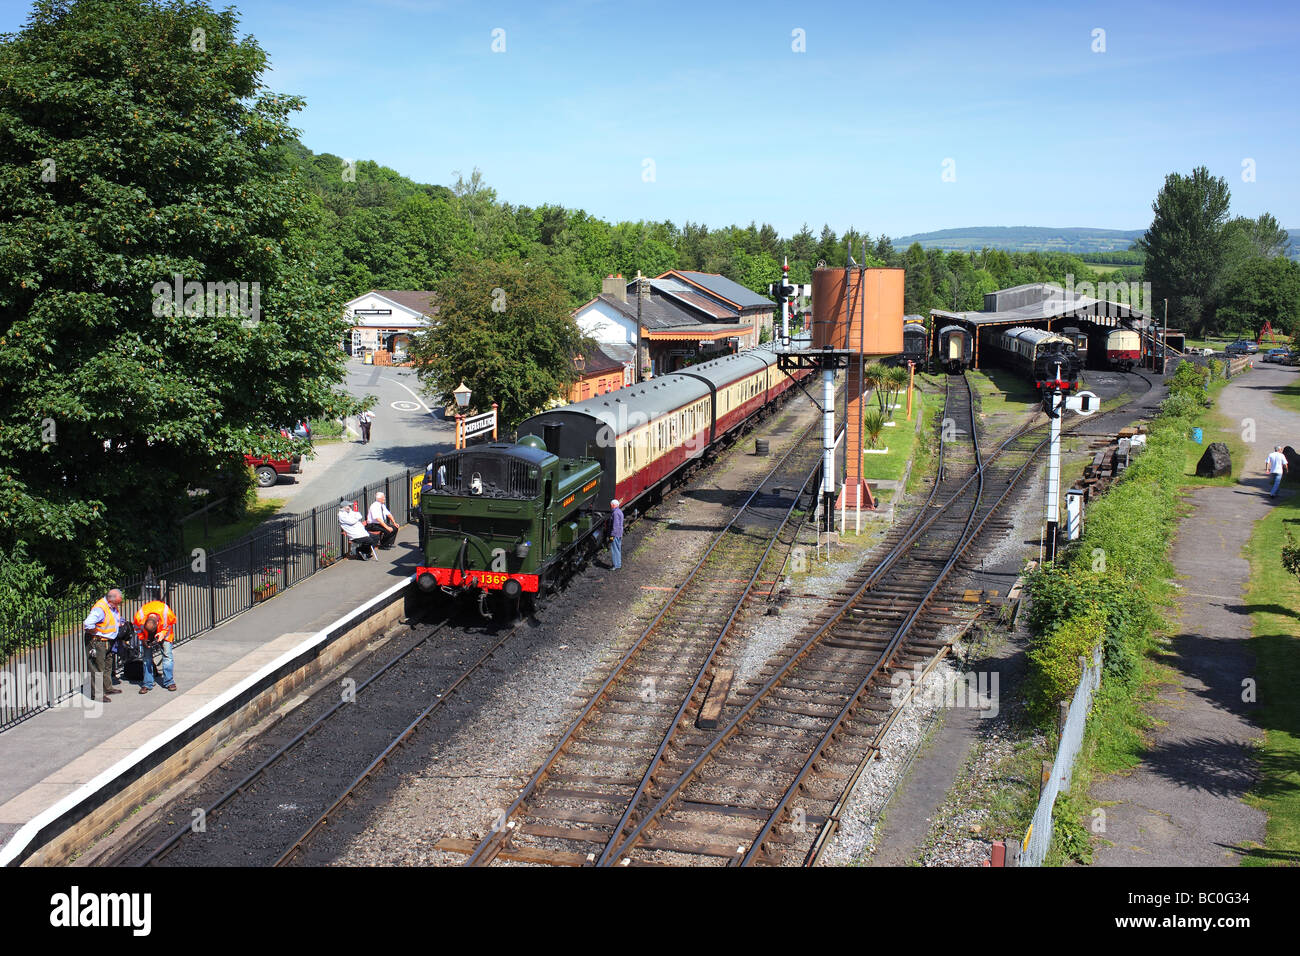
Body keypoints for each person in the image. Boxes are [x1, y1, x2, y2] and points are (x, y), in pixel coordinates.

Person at [82, 589, 125, 702]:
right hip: (98, 641)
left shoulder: (111, 606)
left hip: (108, 640)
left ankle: (107, 687)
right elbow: (87, 623)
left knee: (108, 665)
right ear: (111, 600)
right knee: (97, 668)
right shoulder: (100, 608)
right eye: (117, 603)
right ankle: (97, 694)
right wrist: (96, 632)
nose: (118, 605)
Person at [135, 599, 178, 694]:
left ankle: (169, 682)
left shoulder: (166, 613)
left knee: (167, 657)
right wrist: (143, 639)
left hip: (165, 633)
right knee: (147, 659)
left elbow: (171, 624)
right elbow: (137, 629)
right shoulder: (139, 616)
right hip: (146, 635)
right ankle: (147, 683)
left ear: (157, 623)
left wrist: (162, 633)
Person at [609, 499, 624, 570]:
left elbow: (615, 525)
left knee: (614, 550)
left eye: (611, 505)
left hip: (615, 534)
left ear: (613, 505)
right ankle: (618, 564)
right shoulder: (619, 511)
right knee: (618, 549)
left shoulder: (615, 513)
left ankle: (615, 565)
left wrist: (612, 535)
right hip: (619, 533)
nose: (610, 506)